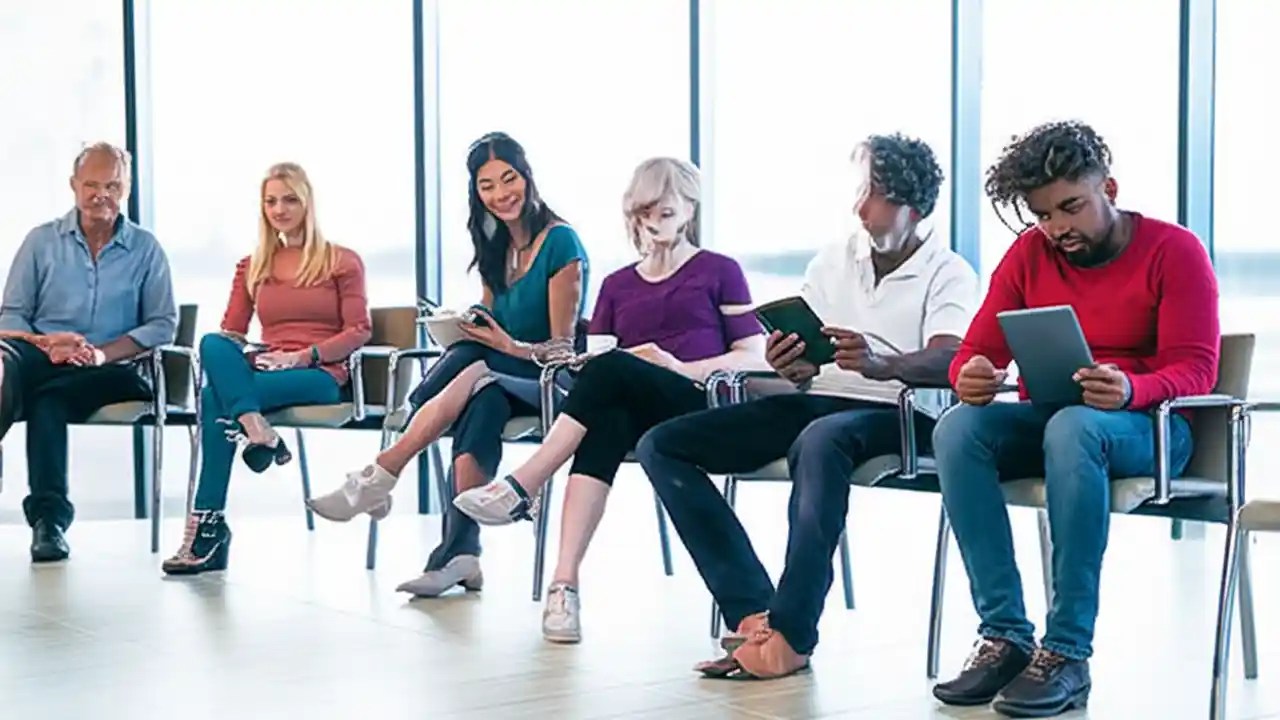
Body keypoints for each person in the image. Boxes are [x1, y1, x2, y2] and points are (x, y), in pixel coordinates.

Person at [636, 134, 978, 679]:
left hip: (901, 414)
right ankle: (752, 610)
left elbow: (951, 359)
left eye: (873, 195)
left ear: (911, 207)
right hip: (817, 402)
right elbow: (805, 363)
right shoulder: (833, 261)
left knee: (820, 440)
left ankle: (793, 633)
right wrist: (790, 361)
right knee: (663, 444)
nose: (858, 207)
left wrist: (883, 364)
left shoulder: (949, 272)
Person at [928, 120, 1219, 718]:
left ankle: (1067, 653)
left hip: (1151, 430)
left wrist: (1133, 386)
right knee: (957, 428)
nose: (1058, 228)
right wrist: (971, 373)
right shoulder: (1030, 255)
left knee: (1074, 425)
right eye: (1042, 215)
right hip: (1061, 422)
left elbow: (1197, 369)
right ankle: (1006, 636)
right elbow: (974, 351)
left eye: (1071, 207)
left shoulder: (1174, 250)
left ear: (1108, 188)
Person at [452, 157, 765, 643]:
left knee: (616, 366)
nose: (652, 222)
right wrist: (611, 365)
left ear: (690, 209)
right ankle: (564, 584)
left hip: (697, 403)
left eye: (665, 211)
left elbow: (754, 355)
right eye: (643, 212)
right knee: (607, 410)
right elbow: (592, 363)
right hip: (630, 412)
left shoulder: (718, 270)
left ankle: (525, 483)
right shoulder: (618, 285)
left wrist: (676, 366)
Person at [306, 132, 589, 596]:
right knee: (480, 397)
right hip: (498, 379)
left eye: (509, 179)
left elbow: (562, 351)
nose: (501, 194)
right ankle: (459, 555)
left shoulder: (561, 242)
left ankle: (379, 476)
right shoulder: (497, 246)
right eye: (487, 186)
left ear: (527, 176)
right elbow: (493, 321)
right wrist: (471, 324)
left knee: (472, 370)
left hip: (547, 381)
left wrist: (506, 343)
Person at [161, 162, 371, 575]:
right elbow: (232, 333)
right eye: (271, 200)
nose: (280, 208)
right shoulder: (252, 265)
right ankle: (256, 429)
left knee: (211, 397)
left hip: (321, 374)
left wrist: (303, 356)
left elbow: (359, 331)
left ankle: (208, 529)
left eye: (290, 199)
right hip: (267, 368)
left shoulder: (341, 261)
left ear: (307, 202)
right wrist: (255, 358)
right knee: (212, 343)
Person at [0, 142, 176, 563]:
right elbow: (12, 315)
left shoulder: (146, 249)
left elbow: (162, 322)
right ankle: (49, 525)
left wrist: (98, 353)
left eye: (113, 185)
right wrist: (47, 345)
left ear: (127, 189)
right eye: (92, 185)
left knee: (49, 398)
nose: (102, 195)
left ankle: (49, 522)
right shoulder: (41, 242)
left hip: (112, 368)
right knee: (8, 362)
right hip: (42, 357)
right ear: (73, 186)